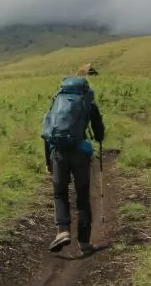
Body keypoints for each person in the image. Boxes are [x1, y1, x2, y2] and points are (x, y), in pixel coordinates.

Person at [41, 74, 105, 256]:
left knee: (60, 193)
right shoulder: (88, 104)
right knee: (83, 196)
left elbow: (47, 134)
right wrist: (96, 136)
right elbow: (99, 133)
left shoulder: (56, 102)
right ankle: (84, 243)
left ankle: (63, 230)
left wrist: (48, 161)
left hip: (58, 153)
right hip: (80, 153)